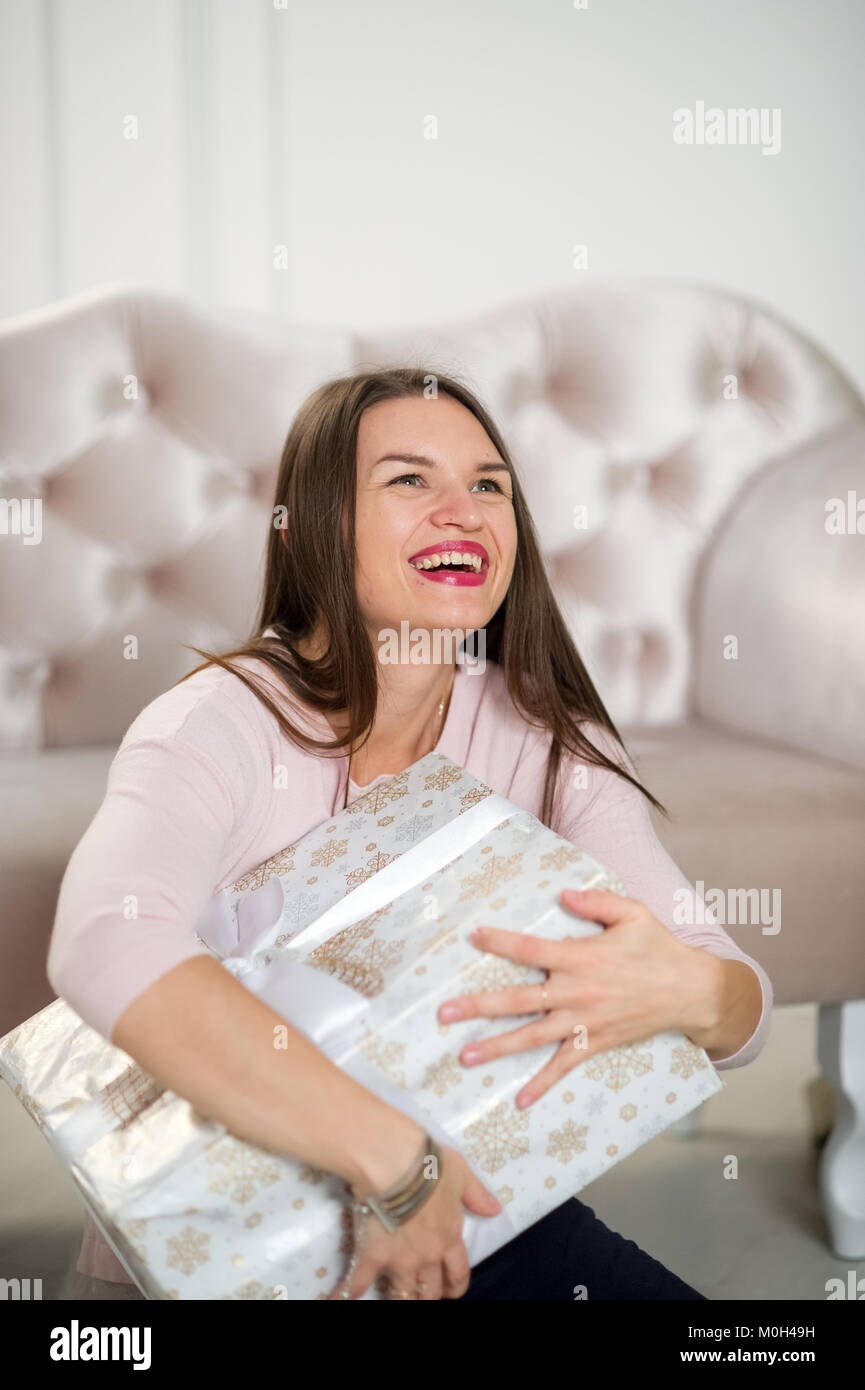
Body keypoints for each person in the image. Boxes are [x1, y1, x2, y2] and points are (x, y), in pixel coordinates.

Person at [48, 367, 772, 1302]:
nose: (463, 512)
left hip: (480, 1225)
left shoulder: (550, 739)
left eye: (488, 485)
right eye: (408, 480)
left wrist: (693, 987)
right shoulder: (215, 725)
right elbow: (106, 937)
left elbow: (736, 1005)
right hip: (229, 1251)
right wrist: (394, 1163)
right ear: (317, 523)